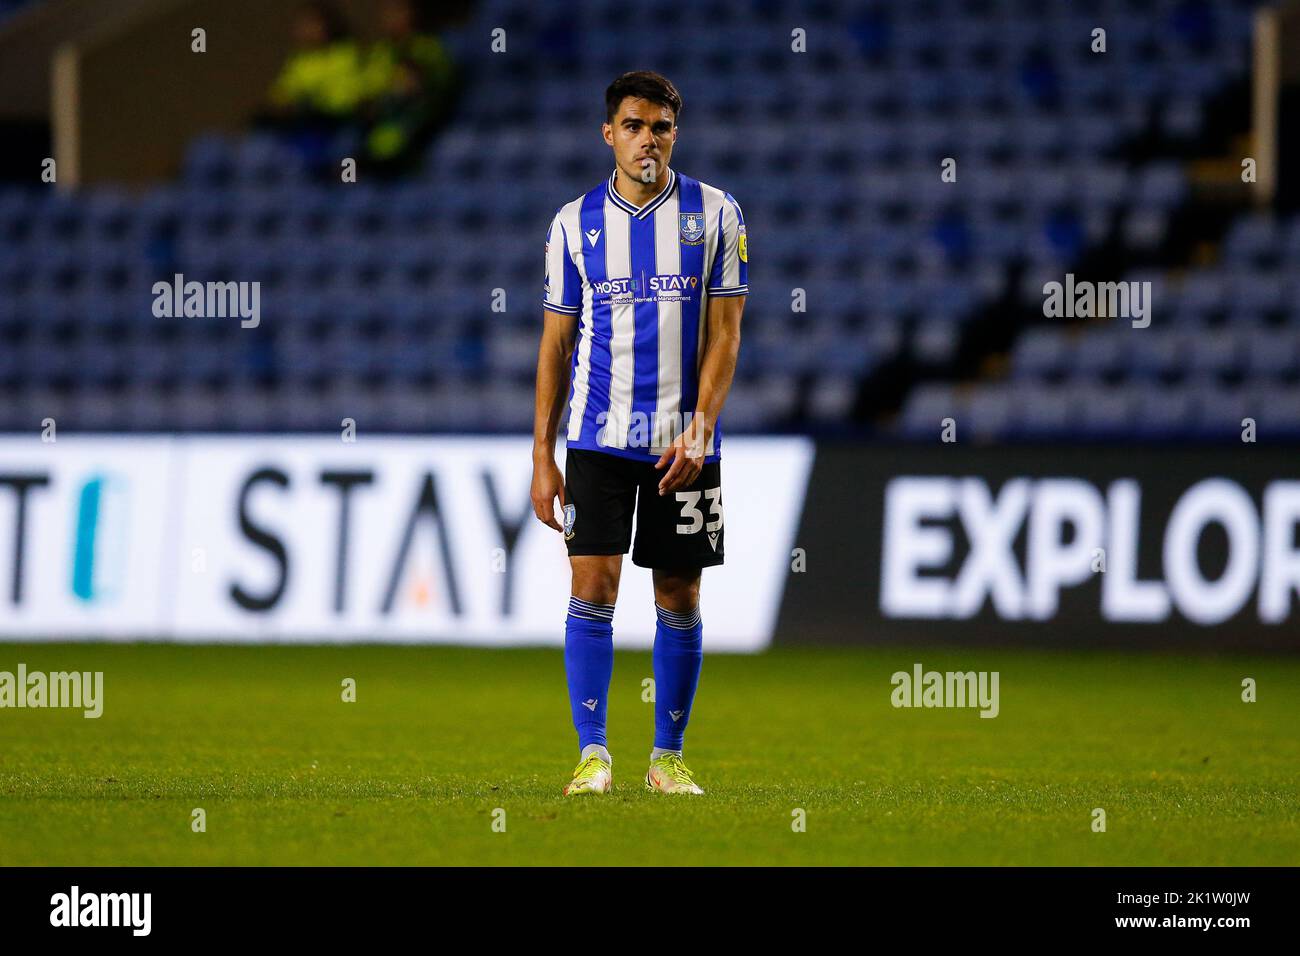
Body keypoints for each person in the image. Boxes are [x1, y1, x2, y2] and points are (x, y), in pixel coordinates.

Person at [530, 71, 748, 796]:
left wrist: (701, 426)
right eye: (632, 125)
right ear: (609, 134)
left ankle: (668, 758)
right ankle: (593, 755)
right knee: (591, 584)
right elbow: (556, 345)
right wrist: (541, 454)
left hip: (683, 444)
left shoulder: (716, 214)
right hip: (596, 439)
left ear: (674, 135)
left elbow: (726, 332)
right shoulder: (573, 223)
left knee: (678, 596)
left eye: (659, 127)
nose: (645, 139)